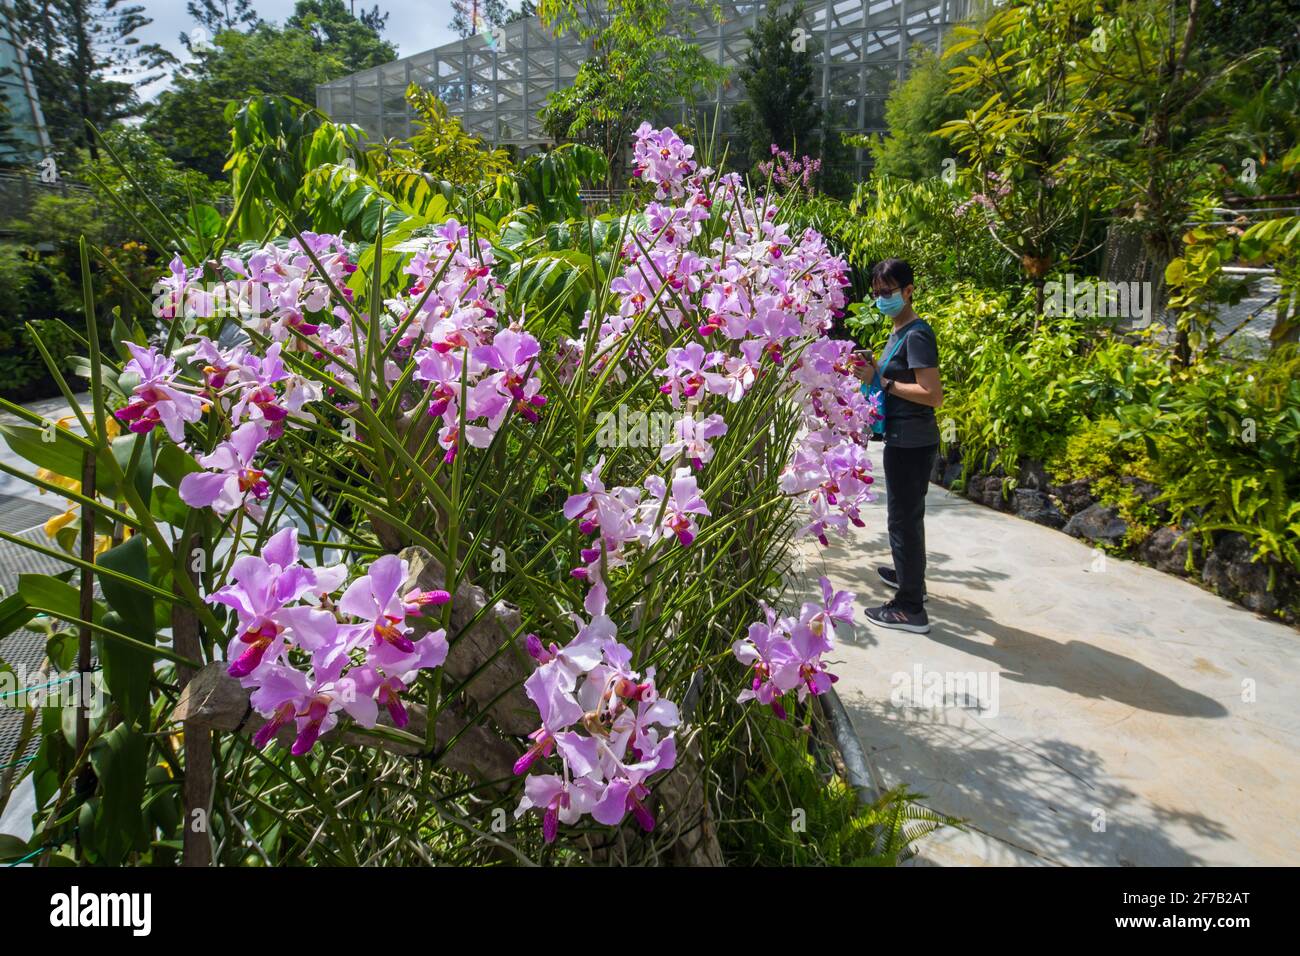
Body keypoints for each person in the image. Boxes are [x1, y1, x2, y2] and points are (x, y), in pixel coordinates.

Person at [853, 259, 943, 634]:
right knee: (907, 517)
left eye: (887, 292)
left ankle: (909, 607)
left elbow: (931, 394)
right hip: (902, 438)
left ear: (909, 291)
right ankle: (910, 578)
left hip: (912, 442)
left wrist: (883, 382)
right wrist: (873, 371)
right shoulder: (898, 331)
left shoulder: (917, 334)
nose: (881, 299)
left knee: (902, 520)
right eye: (876, 293)